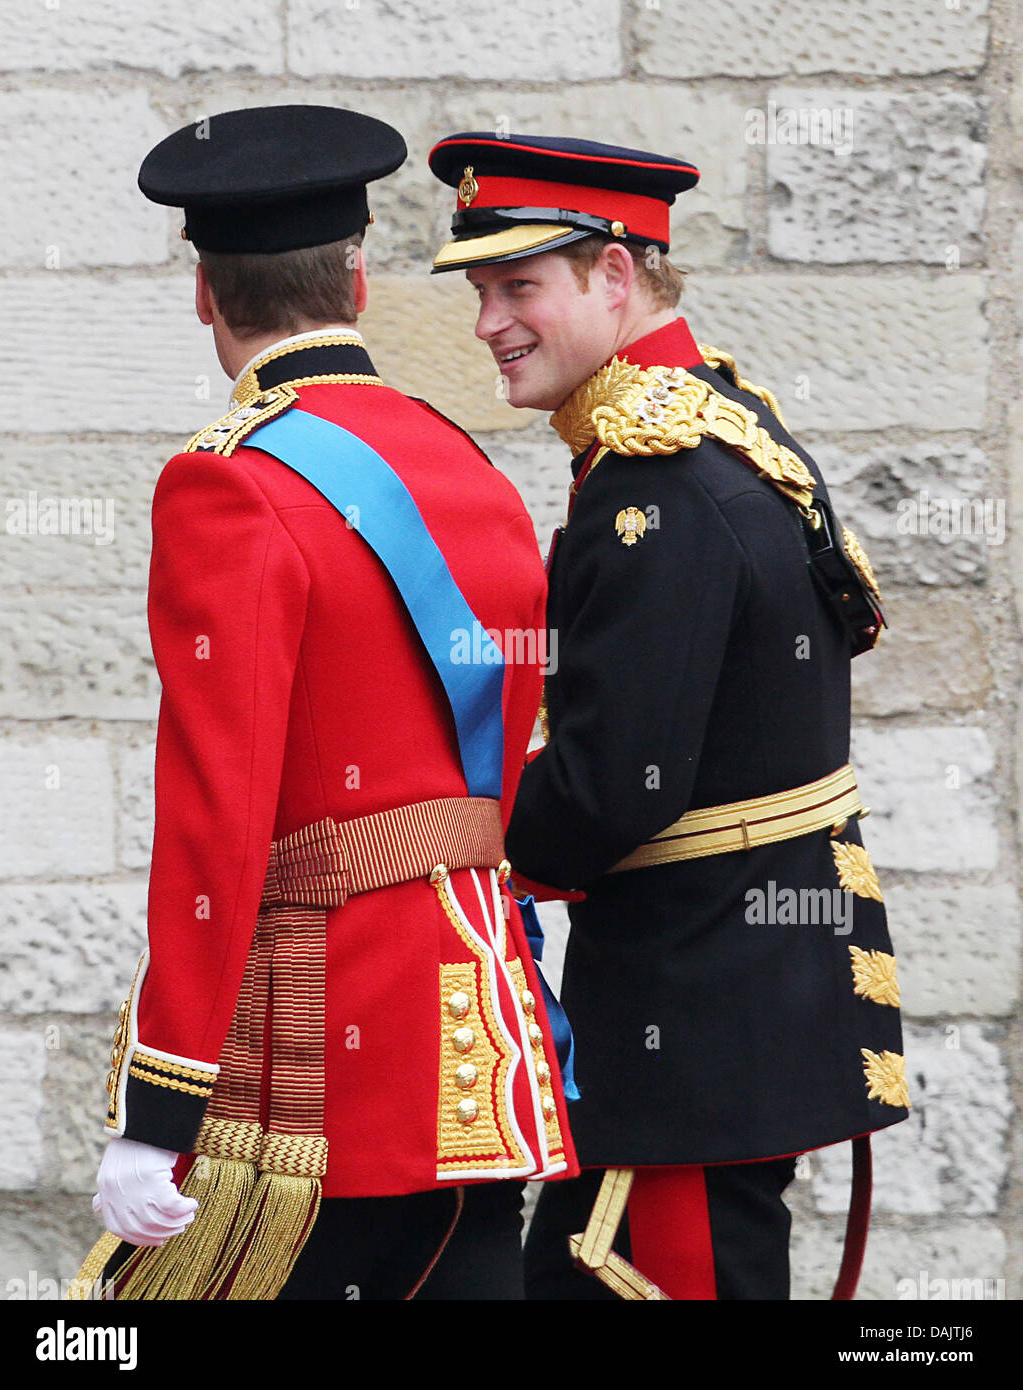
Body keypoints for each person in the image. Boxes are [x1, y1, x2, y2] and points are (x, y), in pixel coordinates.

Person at [71, 106, 578, 1304]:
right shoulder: (462, 458)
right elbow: (515, 739)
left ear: (206, 293)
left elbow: (215, 811)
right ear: (357, 275)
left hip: (322, 1053)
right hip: (480, 1023)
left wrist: (162, 1101)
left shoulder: (227, 484)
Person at [428, 131, 910, 1300]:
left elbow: (615, 787)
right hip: (740, 986)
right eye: (483, 291)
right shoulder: (716, 413)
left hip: (692, 1014)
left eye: (519, 287)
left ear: (613, 276)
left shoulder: (653, 479)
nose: (490, 322)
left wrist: (446, 835)